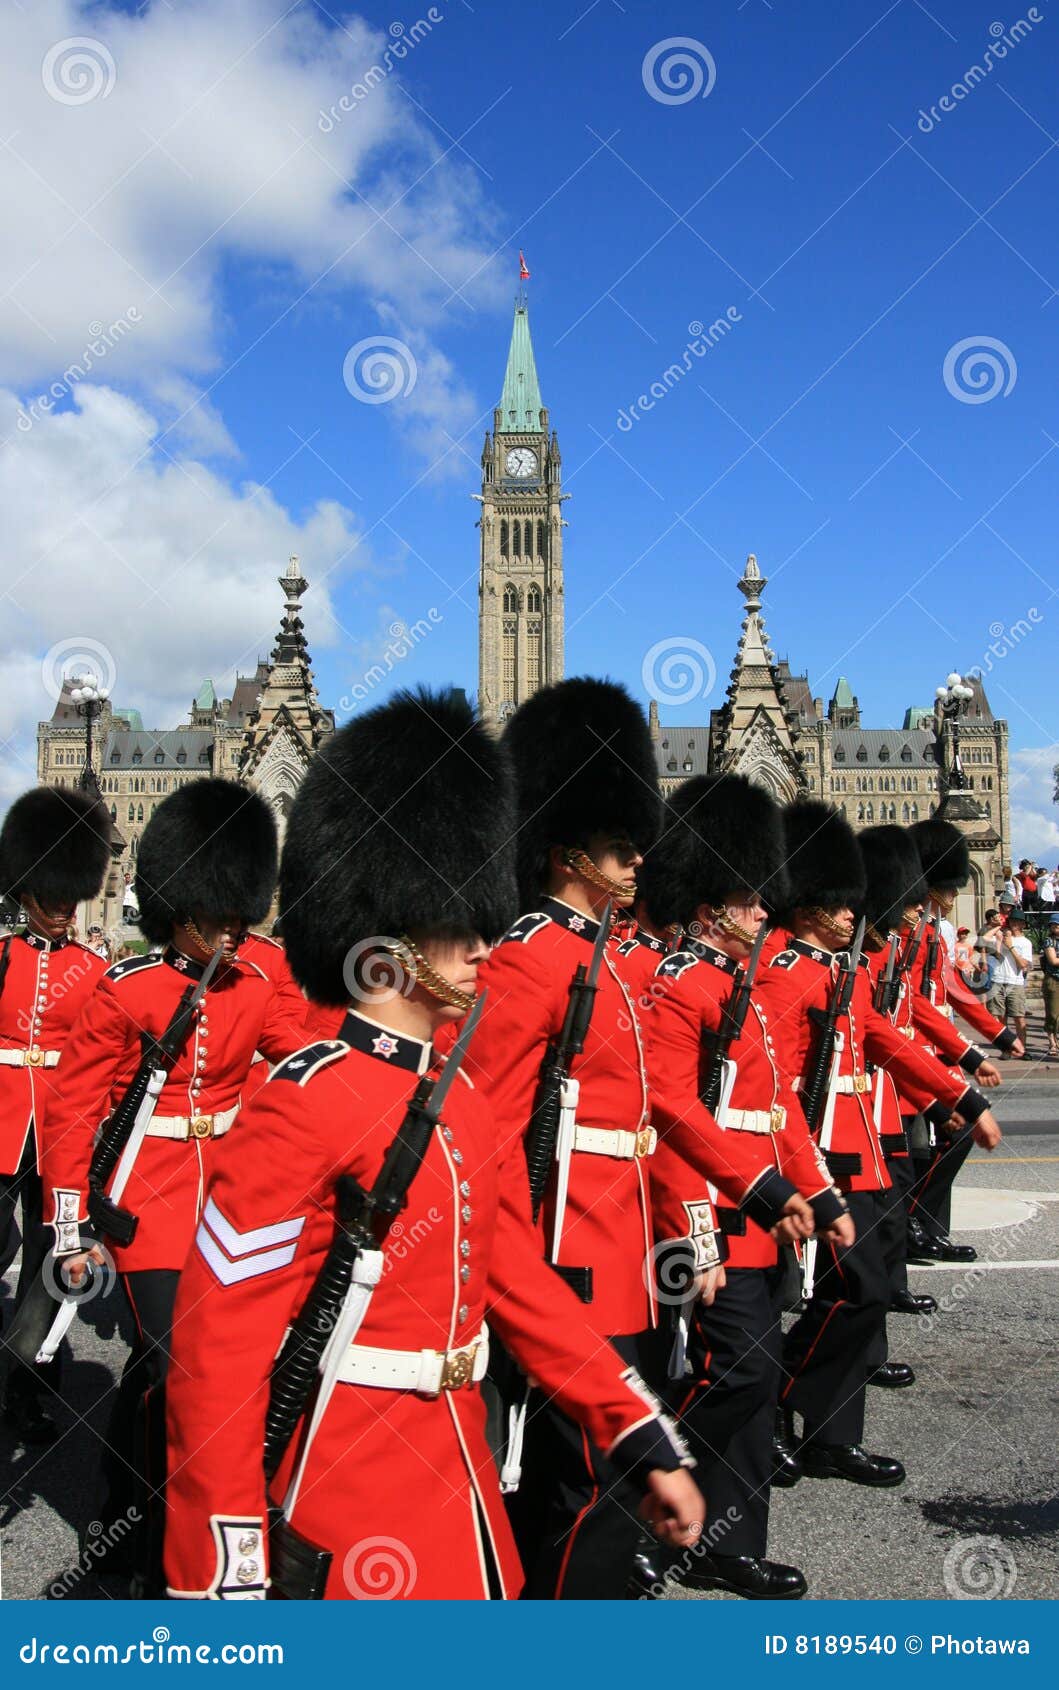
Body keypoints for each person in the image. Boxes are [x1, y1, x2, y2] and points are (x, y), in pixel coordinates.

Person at [164, 689, 703, 1601]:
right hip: (347, 1490)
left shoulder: (461, 1107)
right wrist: (223, 1559)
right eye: (455, 922)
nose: (482, 945)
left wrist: (633, 1426)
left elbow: (518, 1284)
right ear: (391, 931)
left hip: (461, 1481)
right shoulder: (305, 1103)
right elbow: (217, 1354)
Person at [466, 678, 813, 1600]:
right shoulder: (531, 956)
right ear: (568, 852)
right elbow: (488, 1129)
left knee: (605, 1468)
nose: (636, 863)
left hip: (625, 1246)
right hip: (567, 1244)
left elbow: (664, 1104)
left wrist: (761, 1190)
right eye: (620, 849)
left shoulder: (607, 961)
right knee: (581, 1478)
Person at [41, 779, 308, 1592]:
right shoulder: (130, 991)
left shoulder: (256, 980)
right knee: (175, 1364)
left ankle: (126, 1511)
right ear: (177, 907)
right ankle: (154, 1540)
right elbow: (72, 1111)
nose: (233, 930)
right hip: (149, 1203)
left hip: (228, 1203)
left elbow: (302, 1056)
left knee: (176, 1372)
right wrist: (69, 1227)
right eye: (217, 915)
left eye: (239, 915)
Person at [635, 773, 853, 1600]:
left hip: (763, 1212)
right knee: (737, 1371)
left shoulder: (741, 993)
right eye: (746, 899)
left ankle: (727, 1542)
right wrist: (697, 1234)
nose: (763, 911)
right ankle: (646, 1500)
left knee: (753, 1378)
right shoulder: (678, 984)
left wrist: (820, 1195)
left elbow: (778, 1111)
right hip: (711, 1212)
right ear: (707, 908)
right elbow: (671, 1115)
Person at [756, 803, 1001, 1488]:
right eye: (838, 903)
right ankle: (776, 1398)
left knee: (865, 1288)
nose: (850, 914)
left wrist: (959, 1094)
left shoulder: (843, 968)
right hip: (814, 1151)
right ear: (810, 902)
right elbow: (773, 1080)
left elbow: (885, 1038)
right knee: (844, 1289)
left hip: (858, 1141)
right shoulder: (781, 972)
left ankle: (831, 1435)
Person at [0, 786, 113, 1444]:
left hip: (60, 1131)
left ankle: (25, 1386)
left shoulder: (94, 970)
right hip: (2, 1122)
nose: (65, 909)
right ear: (26, 893)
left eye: (71, 896)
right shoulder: (3, 957)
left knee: (48, 1264)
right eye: (53, 896)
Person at [986, 912, 1032, 1052]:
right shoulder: (1001, 936)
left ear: (1023, 924)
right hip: (998, 979)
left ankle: (1022, 1048)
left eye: (1017, 922)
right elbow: (985, 938)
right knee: (1000, 1017)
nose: (1014, 924)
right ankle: (1006, 1048)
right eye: (1012, 921)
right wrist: (998, 927)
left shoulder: (1025, 943)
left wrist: (1011, 947)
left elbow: (1023, 965)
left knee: (1019, 1017)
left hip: (1015, 982)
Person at [1042, 915, 1059, 1060]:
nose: (1056, 928)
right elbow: (1053, 960)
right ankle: (1052, 1042)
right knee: (1053, 1013)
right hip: (1053, 979)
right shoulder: (1049, 941)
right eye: (1054, 925)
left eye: (1058, 925)